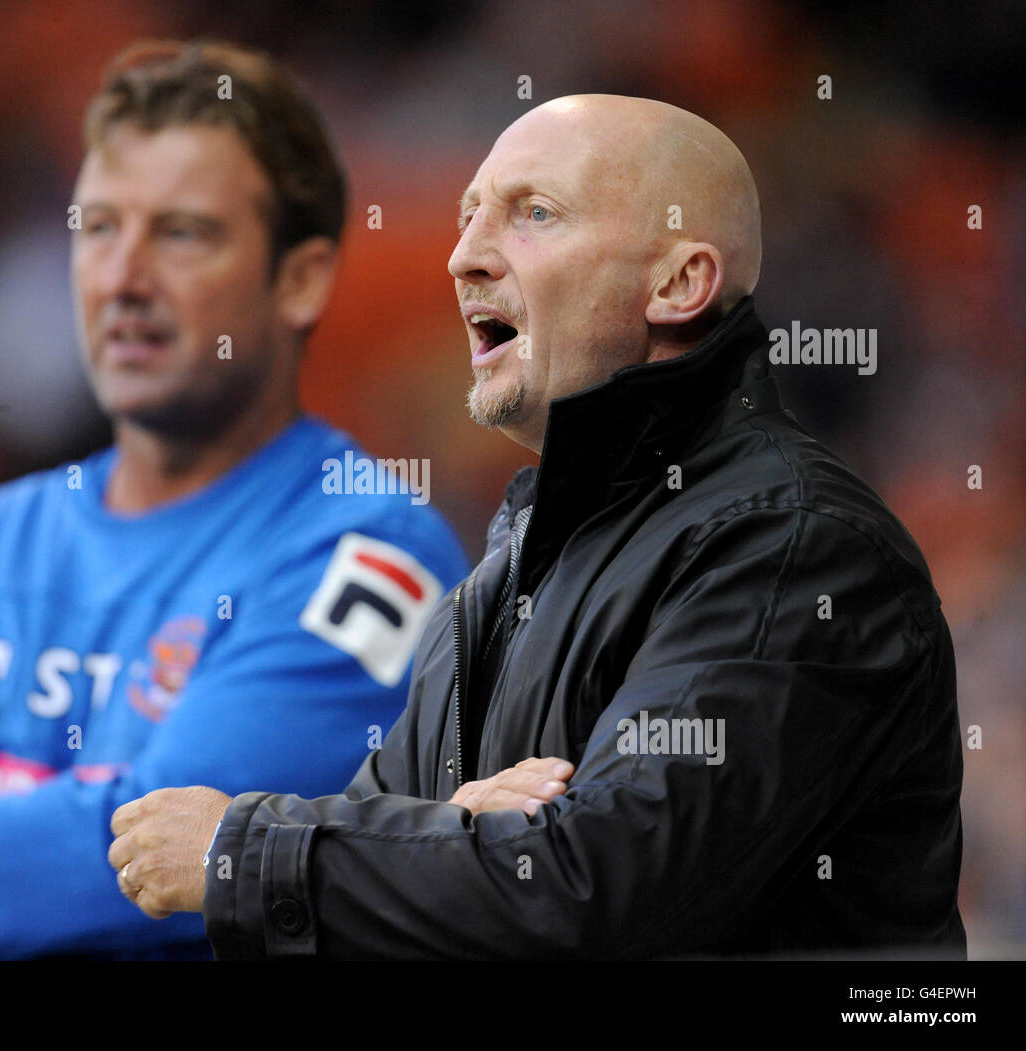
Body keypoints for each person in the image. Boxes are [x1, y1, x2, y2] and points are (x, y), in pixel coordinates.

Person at [107, 94, 967, 959]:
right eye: (467, 215)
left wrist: (243, 850)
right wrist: (451, 831)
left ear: (678, 283)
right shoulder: (500, 577)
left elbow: (597, 893)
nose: (462, 257)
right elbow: (394, 923)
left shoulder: (795, 547)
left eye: (534, 214)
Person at [0, 39, 469, 961]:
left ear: (300, 277)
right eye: (97, 227)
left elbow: (170, 879)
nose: (123, 278)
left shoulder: (372, 555)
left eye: (181, 232)